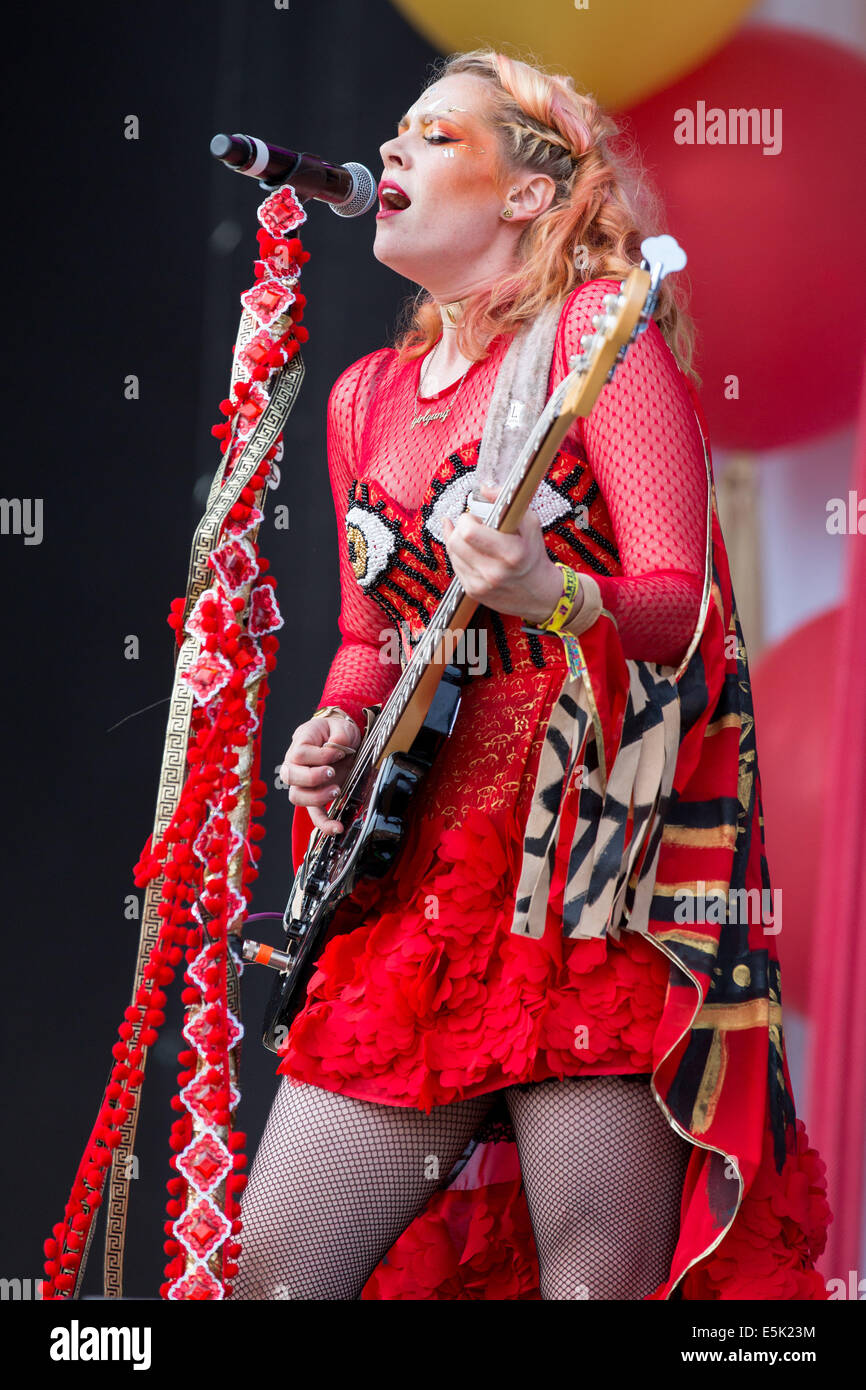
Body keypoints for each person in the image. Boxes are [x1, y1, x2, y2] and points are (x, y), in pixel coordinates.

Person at [230, 49, 830, 1302]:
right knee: (279, 1272)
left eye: (435, 136)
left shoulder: (593, 340)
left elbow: (677, 610)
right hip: (411, 883)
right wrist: (334, 729)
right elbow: (364, 632)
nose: (390, 152)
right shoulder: (361, 398)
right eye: (391, 134)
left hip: (586, 871)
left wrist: (546, 593)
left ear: (526, 194)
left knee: (590, 1282)